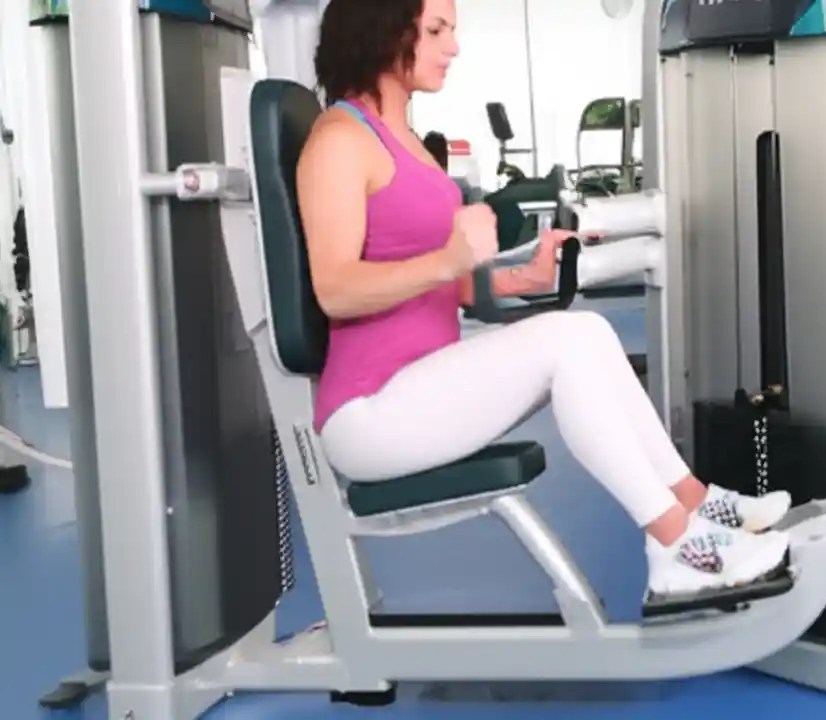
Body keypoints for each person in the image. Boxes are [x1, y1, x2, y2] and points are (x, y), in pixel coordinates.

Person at [298, 0, 793, 599]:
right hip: (369, 413)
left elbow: (438, 286)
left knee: (588, 333)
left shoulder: (407, 141)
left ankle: (696, 504)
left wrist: (516, 281)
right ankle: (676, 546)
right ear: (381, 29)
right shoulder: (339, 138)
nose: (453, 47)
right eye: (435, 31)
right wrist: (452, 258)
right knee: (572, 339)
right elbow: (335, 290)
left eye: (451, 31)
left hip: (422, 384)